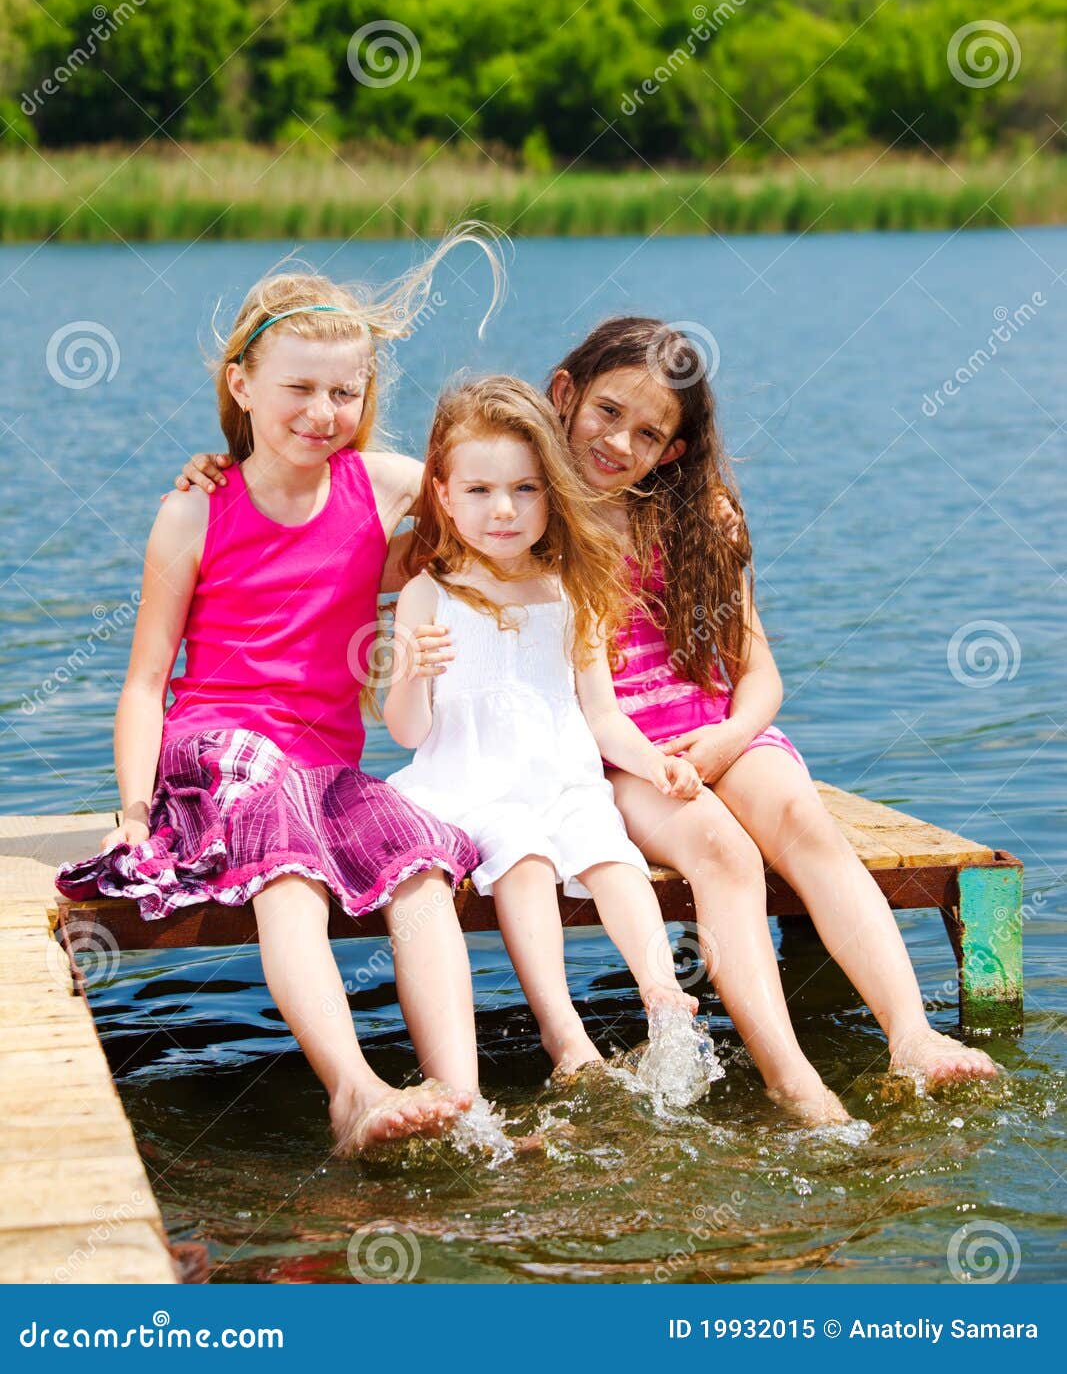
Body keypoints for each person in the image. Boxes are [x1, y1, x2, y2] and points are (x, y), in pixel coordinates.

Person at [56, 231, 510, 1156]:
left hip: (321, 766)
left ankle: (464, 1105)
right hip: (216, 746)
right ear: (242, 386)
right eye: (297, 388)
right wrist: (136, 812)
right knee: (290, 863)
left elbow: (502, 490)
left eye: (344, 391)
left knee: (420, 859)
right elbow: (146, 684)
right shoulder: (195, 510)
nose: (322, 411)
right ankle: (352, 1092)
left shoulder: (380, 487)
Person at [545, 316, 998, 1087]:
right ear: (564, 394)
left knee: (803, 824)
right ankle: (794, 1079)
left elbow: (758, 677)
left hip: (716, 733)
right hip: (614, 755)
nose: (619, 442)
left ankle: (912, 1037)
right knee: (721, 852)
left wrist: (729, 740)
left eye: (648, 433)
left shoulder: (691, 524)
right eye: (608, 411)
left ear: (673, 451)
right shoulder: (523, 510)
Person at [384, 376, 704, 1077]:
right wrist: (407, 669)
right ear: (442, 493)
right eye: (478, 491)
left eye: (526, 489)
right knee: (524, 859)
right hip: (472, 789)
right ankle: (564, 1034)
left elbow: (601, 714)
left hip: (561, 777)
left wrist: (654, 764)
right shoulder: (427, 594)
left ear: (551, 492)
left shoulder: (569, 588)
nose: (503, 510)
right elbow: (407, 733)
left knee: (610, 853)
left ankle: (659, 990)